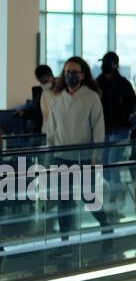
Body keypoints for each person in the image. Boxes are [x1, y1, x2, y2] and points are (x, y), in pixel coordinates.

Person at [45, 56, 109, 236]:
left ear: (82, 75)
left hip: (84, 157)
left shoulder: (91, 97)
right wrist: (49, 154)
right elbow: (52, 128)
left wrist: (97, 154)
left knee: (87, 196)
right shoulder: (57, 97)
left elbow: (98, 127)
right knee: (63, 199)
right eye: (67, 72)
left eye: (74, 72)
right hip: (61, 156)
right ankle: (65, 239)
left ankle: (106, 227)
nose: (70, 76)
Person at [97, 52, 136, 217]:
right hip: (104, 127)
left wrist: (127, 118)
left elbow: (131, 103)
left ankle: (116, 192)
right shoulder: (98, 82)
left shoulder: (123, 84)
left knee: (113, 159)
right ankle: (116, 189)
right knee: (105, 160)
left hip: (120, 127)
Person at [34, 64, 55, 132]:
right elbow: (35, 107)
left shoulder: (62, 90)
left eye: (45, 81)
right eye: (41, 82)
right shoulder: (42, 92)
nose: (44, 84)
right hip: (45, 131)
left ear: (51, 75)